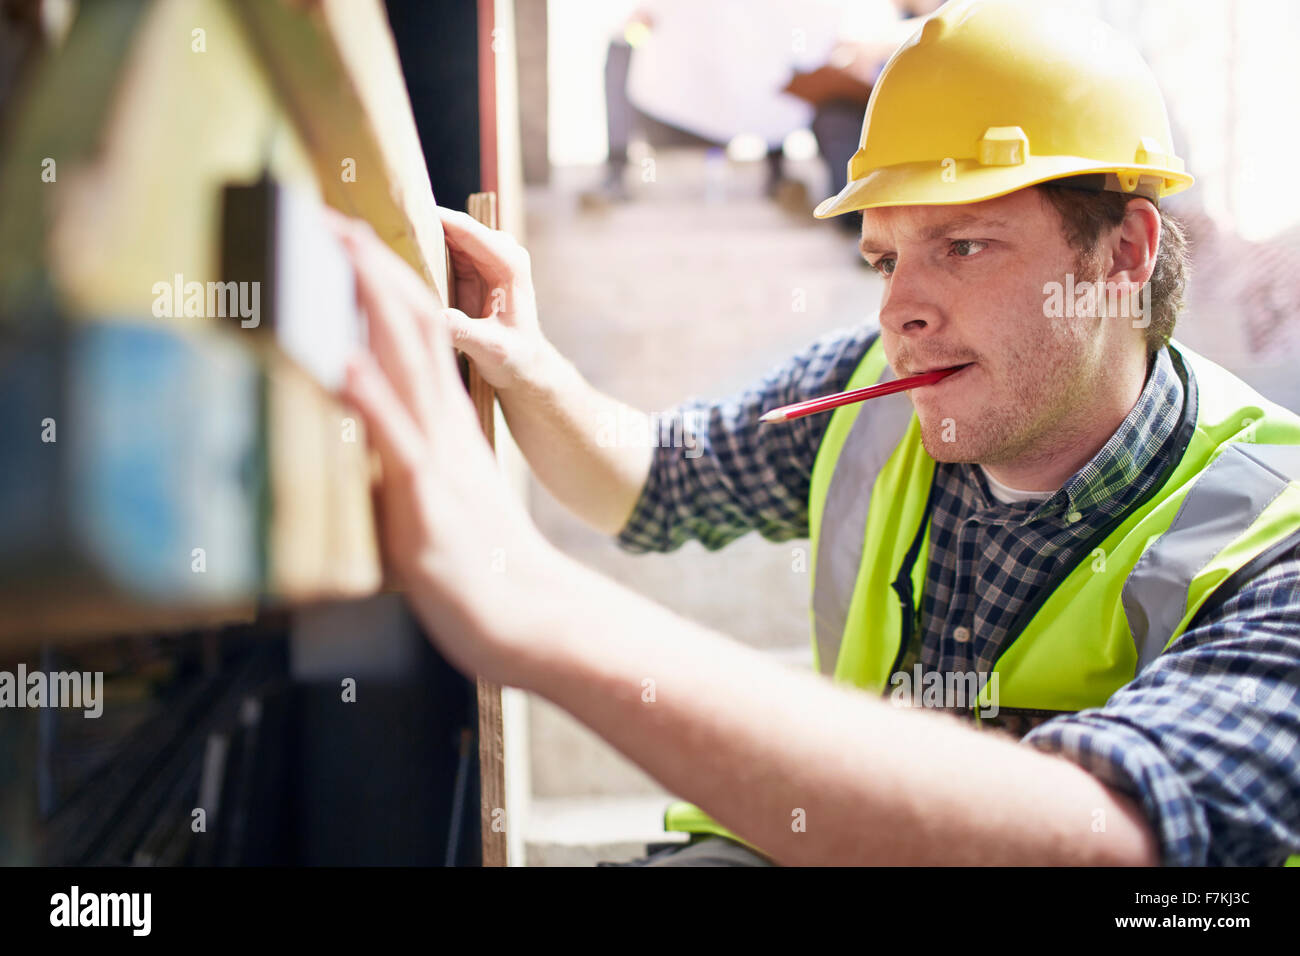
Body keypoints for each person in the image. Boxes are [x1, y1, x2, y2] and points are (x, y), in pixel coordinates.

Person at [332, 0, 1300, 865]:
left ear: (1121, 253)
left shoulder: (1270, 536)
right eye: (884, 259)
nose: (900, 312)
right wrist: (530, 366)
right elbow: (653, 481)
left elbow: (1116, 840)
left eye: (962, 245)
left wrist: (540, 608)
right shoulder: (876, 391)